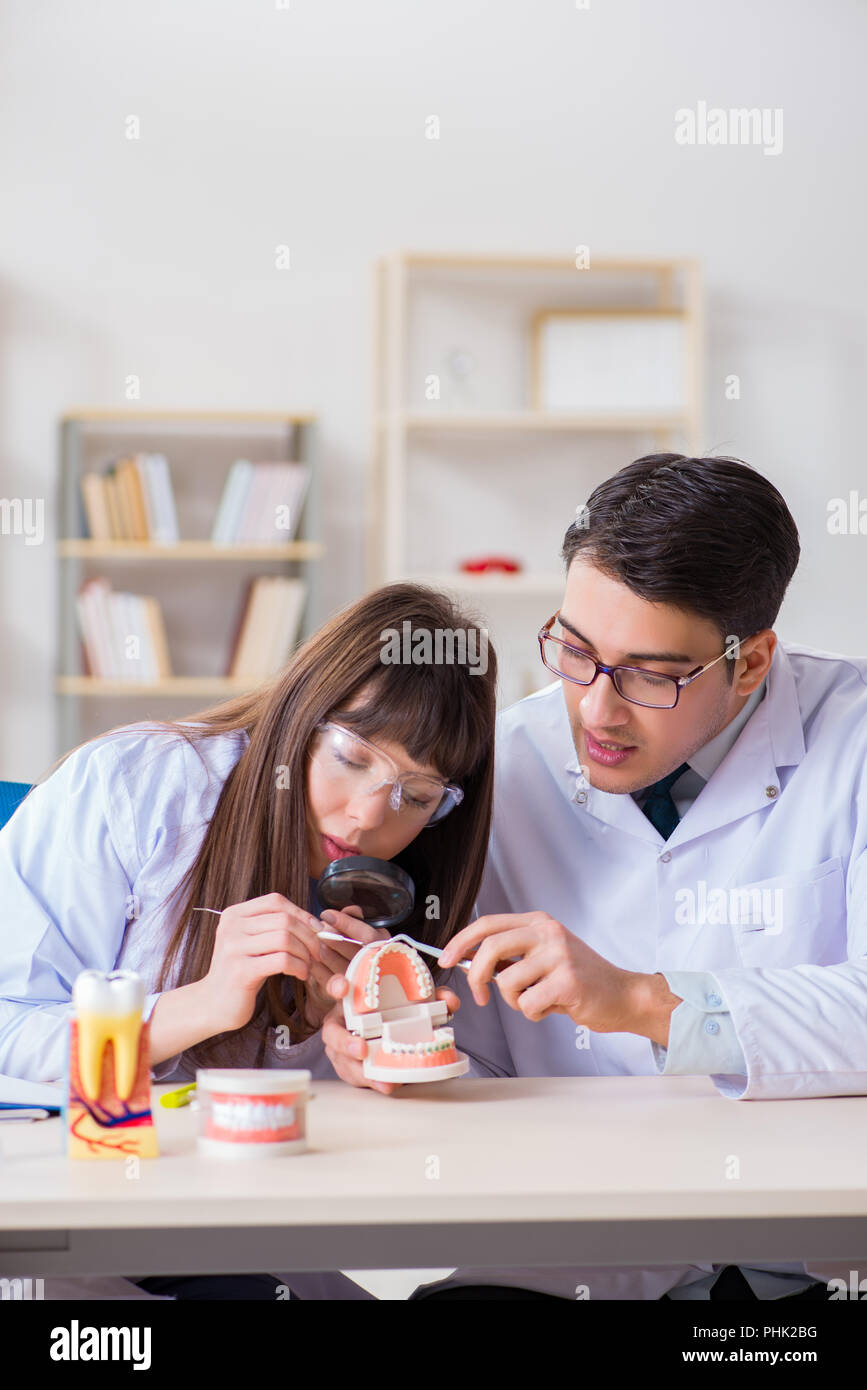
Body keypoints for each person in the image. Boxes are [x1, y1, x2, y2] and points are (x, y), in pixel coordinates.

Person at [323, 453, 865, 1300]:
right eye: (574, 651)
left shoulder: (855, 741)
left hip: (811, 1256)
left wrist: (640, 1001)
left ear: (750, 663)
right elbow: (482, 1063)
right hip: (574, 1255)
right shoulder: (503, 762)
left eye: (651, 675)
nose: (595, 710)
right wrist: (400, 1054)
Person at [0, 582, 497, 1299]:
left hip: (255, 1233)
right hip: (74, 1224)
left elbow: (463, 1104)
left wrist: (371, 1057)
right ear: (299, 713)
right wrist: (202, 1006)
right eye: (352, 758)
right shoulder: (134, 786)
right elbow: (8, 1021)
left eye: (415, 797)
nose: (364, 819)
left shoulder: (408, 891)